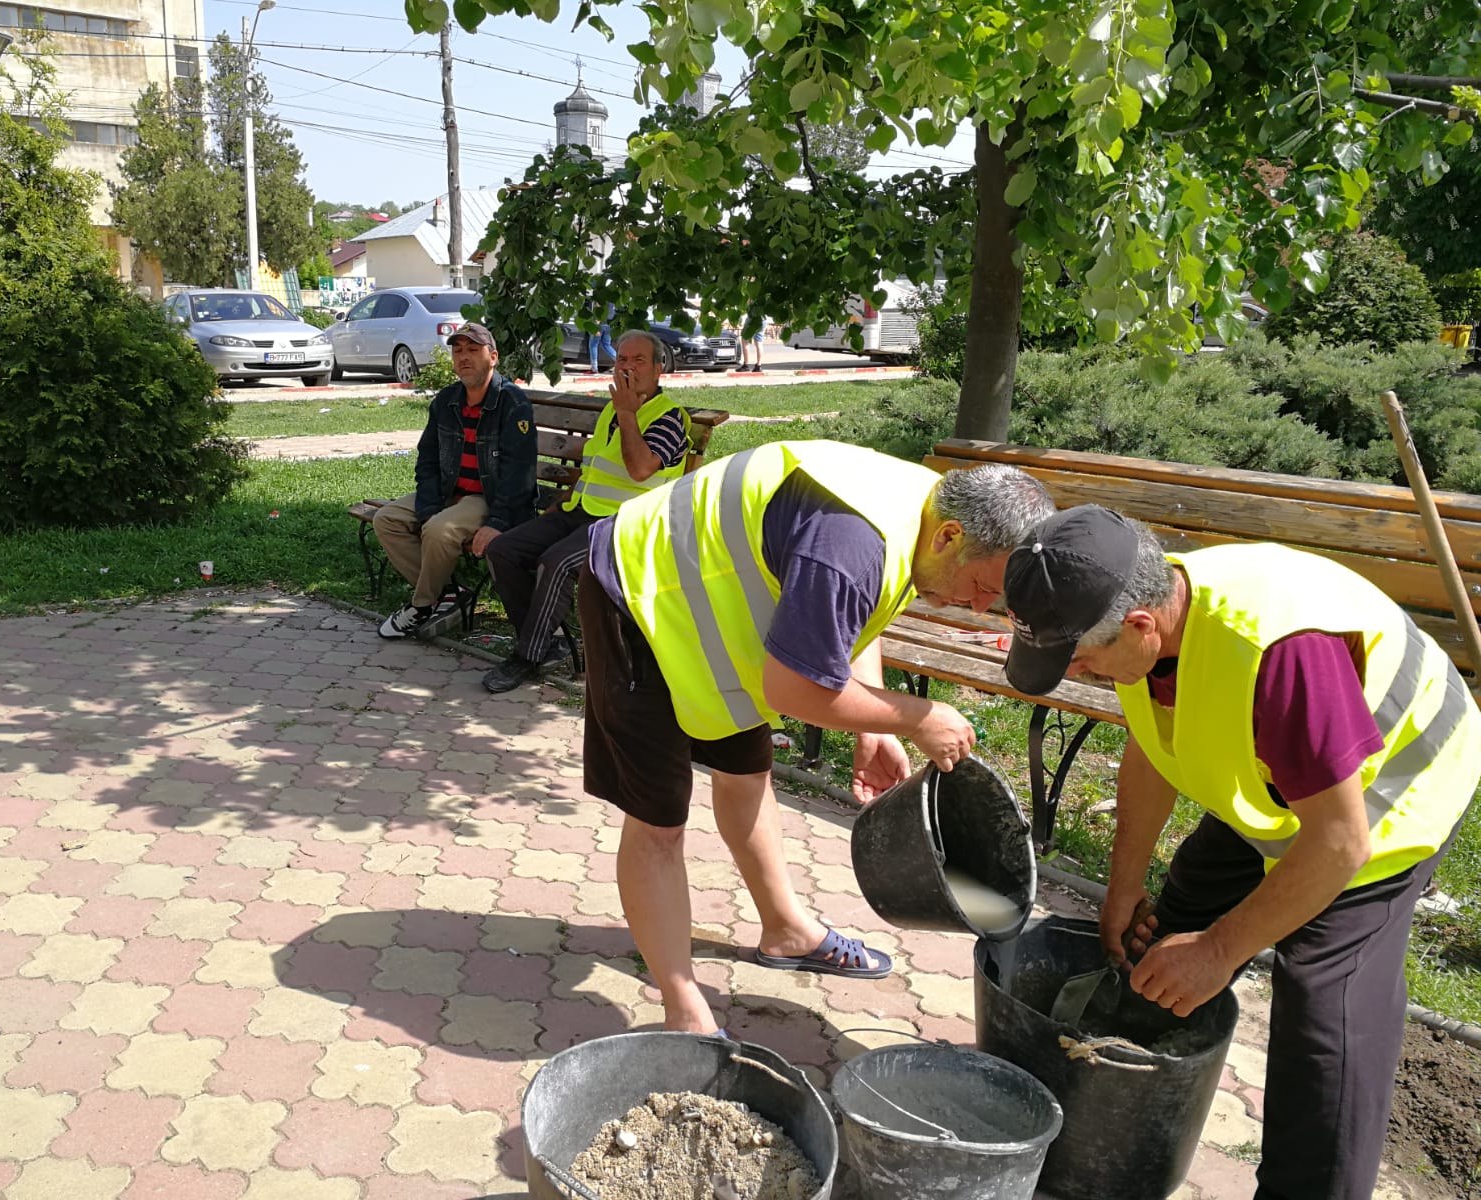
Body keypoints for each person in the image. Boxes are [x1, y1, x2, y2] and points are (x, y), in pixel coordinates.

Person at [999, 506, 1481, 1200]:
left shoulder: (1280, 655)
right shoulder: (1151, 620)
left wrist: (1220, 952)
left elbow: (1340, 841)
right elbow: (1152, 750)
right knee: (1186, 900)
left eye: (1081, 659)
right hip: (1285, 775)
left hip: (1390, 793)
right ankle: (1121, 1069)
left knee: (1325, 1004)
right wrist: (1124, 884)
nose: (1080, 673)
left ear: (1139, 626)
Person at [580, 447, 1056, 1033]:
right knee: (657, 822)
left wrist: (870, 722)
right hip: (639, 592)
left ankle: (785, 931)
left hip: (714, 607)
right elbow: (792, 689)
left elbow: (863, 610)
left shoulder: (923, 516)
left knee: (747, 775)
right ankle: (684, 1010)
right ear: (951, 537)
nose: (982, 606)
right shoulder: (852, 542)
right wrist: (917, 717)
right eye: (983, 586)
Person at [481, 330, 689, 693]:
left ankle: (527, 657)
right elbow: (597, 470)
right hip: (582, 510)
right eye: (622, 359)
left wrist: (628, 414)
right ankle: (544, 643)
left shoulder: (669, 418)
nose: (627, 367)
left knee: (557, 562)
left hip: (627, 524)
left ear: (658, 369)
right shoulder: (612, 409)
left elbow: (641, 469)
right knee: (503, 549)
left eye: (637, 361)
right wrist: (565, 502)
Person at [374, 322, 537, 639]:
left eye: (473, 350)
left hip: (487, 498)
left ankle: (421, 606)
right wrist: (430, 504)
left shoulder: (511, 403)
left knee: (438, 529)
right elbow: (428, 459)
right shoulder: (446, 401)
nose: (464, 357)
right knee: (387, 519)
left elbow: (519, 473)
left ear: (493, 357)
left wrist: (498, 521)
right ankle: (449, 593)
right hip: (451, 492)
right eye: (458, 350)